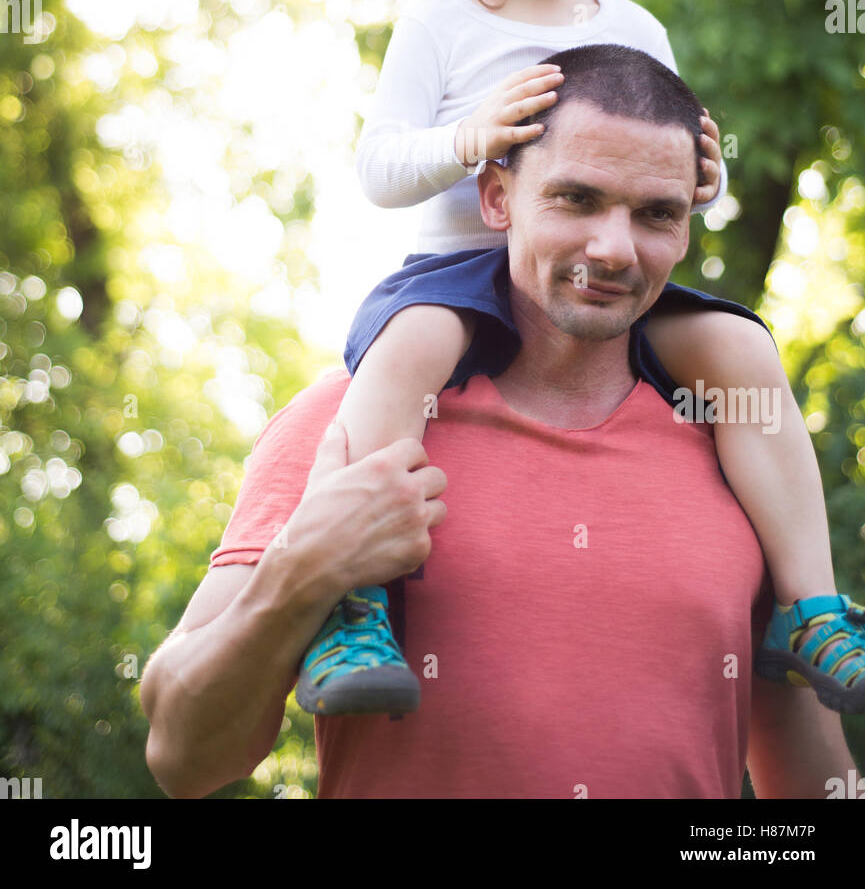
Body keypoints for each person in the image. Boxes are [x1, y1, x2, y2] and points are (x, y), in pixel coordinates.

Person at [286, 0, 865, 718]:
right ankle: (354, 601)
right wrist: (465, 138)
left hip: (596, 281)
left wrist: (703, 178)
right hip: (460, 273)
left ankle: (805, 606)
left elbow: (667, 180)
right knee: (400, 352)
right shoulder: (442, 24)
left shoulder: (633, 28)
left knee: (738, 344)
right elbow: (379, 167)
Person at [140, 46, 861, 799]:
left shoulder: (737, 444)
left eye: (655, 213)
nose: (612, 248)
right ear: (496, 199)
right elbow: (181, 759)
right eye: (576, 199)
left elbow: (807, 779)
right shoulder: (355, 424)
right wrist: (300, 573)